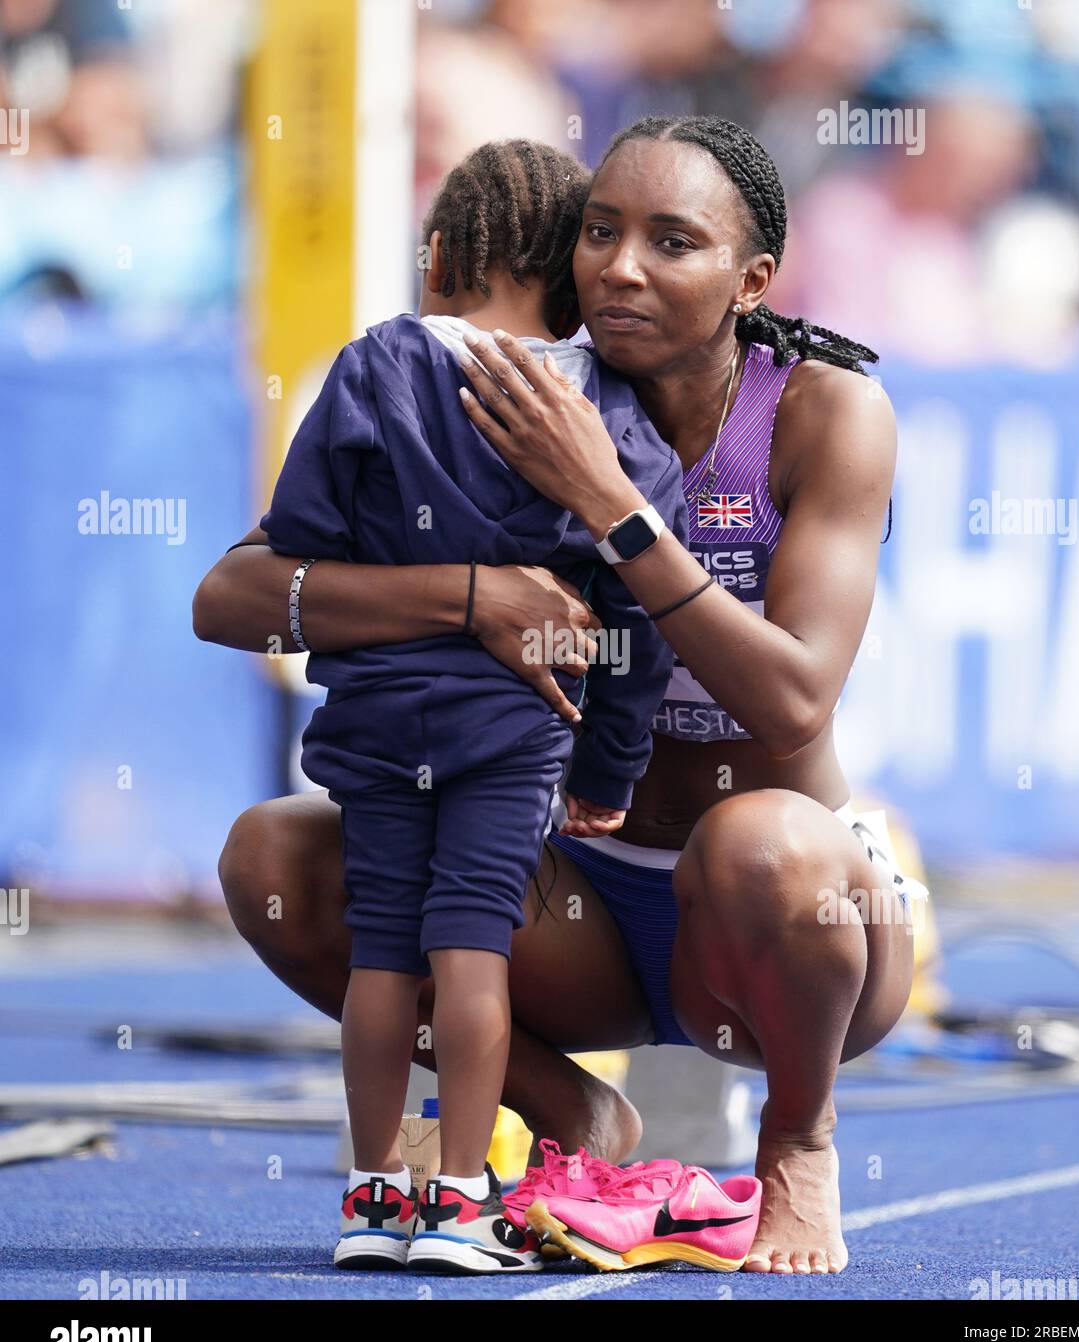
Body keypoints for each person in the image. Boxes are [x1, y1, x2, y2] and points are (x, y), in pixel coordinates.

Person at [194, 114, 924, 1275]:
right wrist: (472, 595)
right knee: (274, 860)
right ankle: (572, 1115)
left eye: (671, 241)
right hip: (569, 892)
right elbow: (233, 593)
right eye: (600, 231)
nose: (621, 265)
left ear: (752, 281)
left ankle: (799, 1138)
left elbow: (792, 701)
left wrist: (612, 510)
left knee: (762, 846)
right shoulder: (488, 386)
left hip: (772, 919)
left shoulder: (824, 411)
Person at [255, 139, 687, 1275]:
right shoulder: (600, 413)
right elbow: (636, 620)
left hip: (376, 726)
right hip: (508, 740)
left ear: (439, 253)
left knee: (384, 958)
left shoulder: (373, 367)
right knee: (471, 955)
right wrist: (607, 767)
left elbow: (298, 544)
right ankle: (455, 1196)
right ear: (568, 270)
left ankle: (370, 1195)